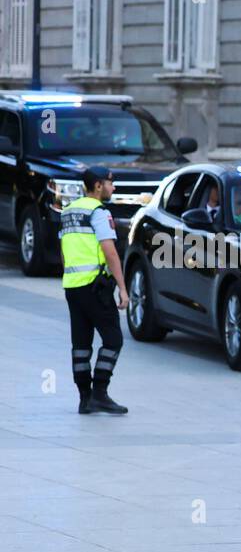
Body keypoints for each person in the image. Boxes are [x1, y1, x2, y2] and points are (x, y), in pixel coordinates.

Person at [61, 165, 128, 415]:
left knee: (81, 344)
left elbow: (64, 250)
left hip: (72, 286)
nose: (113, 187)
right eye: (110, 182)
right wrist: (122, 288)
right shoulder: (99, 212)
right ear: (98, 185)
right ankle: (100, 392)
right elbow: (110, 251)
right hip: (95, 286)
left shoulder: (68, 211)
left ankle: (84, 398)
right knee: (113, 339)